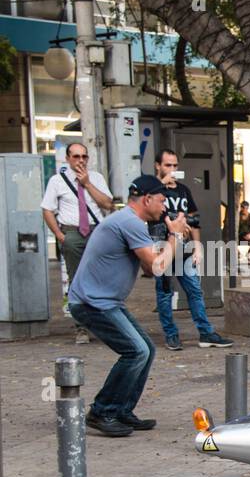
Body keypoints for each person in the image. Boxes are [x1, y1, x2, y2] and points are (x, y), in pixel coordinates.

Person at [68, 175, 187, 437]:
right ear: (146, 199)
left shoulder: (129, 221)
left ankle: (121, 410)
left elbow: (150, 264)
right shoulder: (130, 222)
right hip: (91, 303)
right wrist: (175, 235)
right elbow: (156, 267)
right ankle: (102, 411)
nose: (164, 206)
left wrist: (169, 238)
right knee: (136, 352)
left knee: (146, 349)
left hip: (105, 301)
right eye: (160, 199)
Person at [150, 148, 233, 350]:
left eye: (175, 165)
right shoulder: (152, 189)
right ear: (158, 166)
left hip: (184, 248)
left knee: (195, 290)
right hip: (162, 247)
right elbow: (147, 209)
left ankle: (206, 333)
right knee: (165, 293)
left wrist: (197, 247)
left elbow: (194, 220)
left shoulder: (183, 190)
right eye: (168, 165)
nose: (172, 169)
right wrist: (161, 185)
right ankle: (171, 334)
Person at [41, 141, 113, 345]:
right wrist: (59, 234)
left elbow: (107, 204)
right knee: (77, 281)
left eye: (84, 156)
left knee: (101, 279)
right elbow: (47, 209)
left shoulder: (96, 178)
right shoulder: (57, 181)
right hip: (72, 232)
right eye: (76, 156)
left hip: (96, 231)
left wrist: (87, 183)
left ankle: (102, 324)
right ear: (68, 159)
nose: (81, 160)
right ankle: (81, 328)